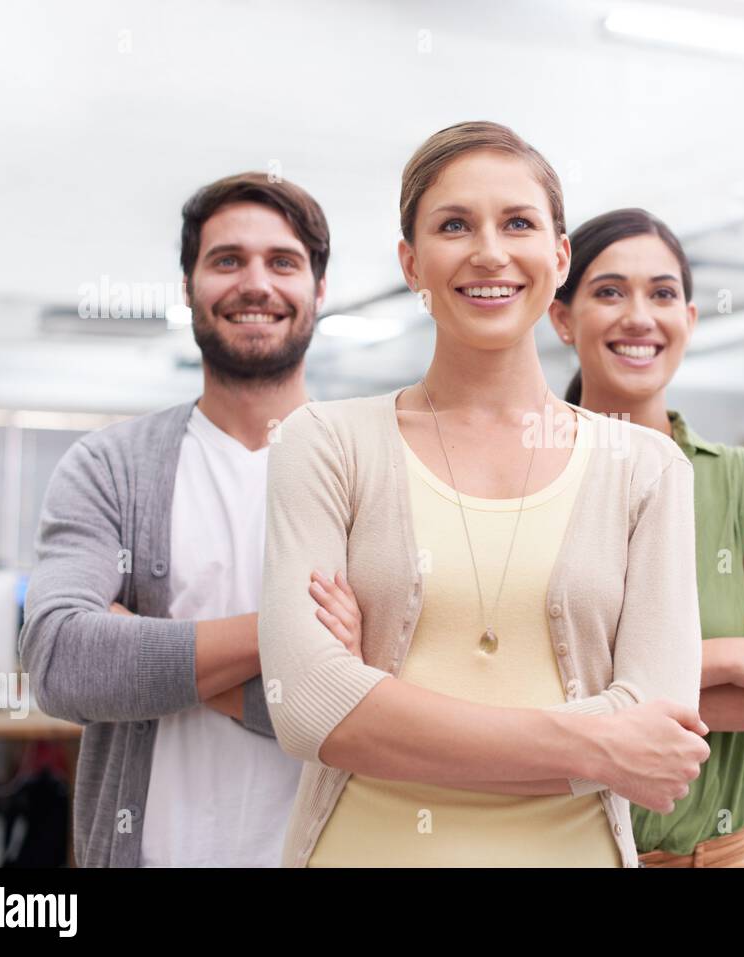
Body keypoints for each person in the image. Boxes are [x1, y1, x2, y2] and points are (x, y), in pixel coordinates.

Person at [257, 122, 710, 868]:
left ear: (559, 257)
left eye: (519, 223)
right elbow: (306, 705)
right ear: (412, 262)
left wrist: (375, 695)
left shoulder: (648, 469)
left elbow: (659, 737)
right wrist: (597, 741)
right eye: (454, 225)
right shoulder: (324, 442)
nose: (490, 251)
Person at [19, 171, 357, 867]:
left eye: (283, 262)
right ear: (188, 287)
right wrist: (294, 632)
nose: (255, 284)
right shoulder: (111, 465)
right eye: (227, 260)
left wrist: (143, 654)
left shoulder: (373, 469)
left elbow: (378, 700)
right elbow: (61, 660)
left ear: (319, 292)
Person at [550, 207, 744, 867]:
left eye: (662, 293)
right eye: (608, 291)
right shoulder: (527, 475)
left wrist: (612, 698)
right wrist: (734, 659)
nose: (639, 316)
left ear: (689, 319)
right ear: (562, 318)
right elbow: (529, 695)